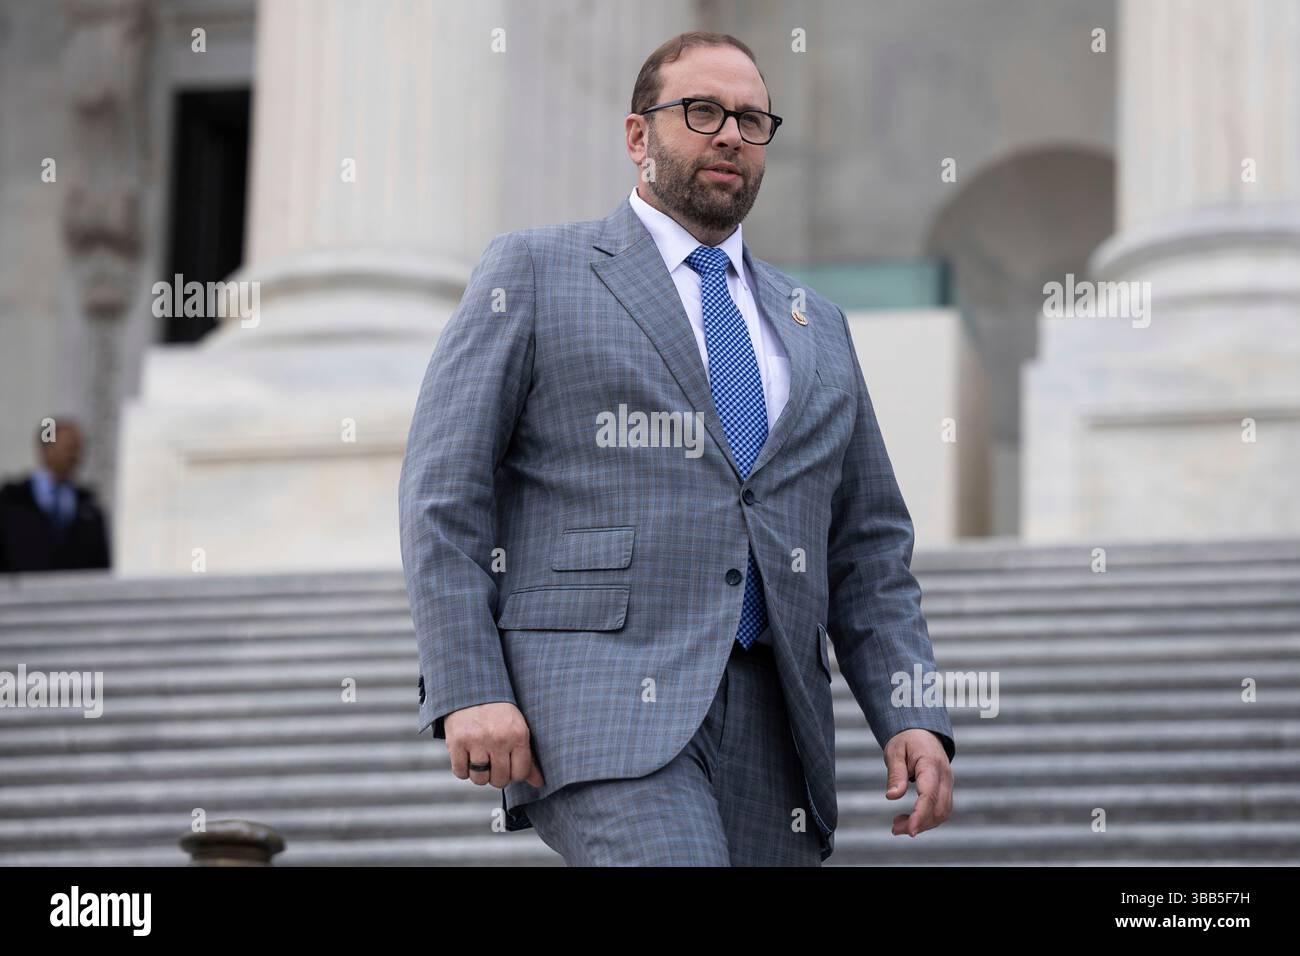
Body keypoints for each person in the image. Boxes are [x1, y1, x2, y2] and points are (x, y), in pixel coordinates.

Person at [399, 31, 954, 865]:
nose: (731, 133)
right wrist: (470, 682)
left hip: (778, 725)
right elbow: (444, 491)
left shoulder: (819, 327)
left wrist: (910, 707)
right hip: (601, 699)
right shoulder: (539, 272)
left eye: (752, 119)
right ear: (637, 136)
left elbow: (868, 546)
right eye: (702, 111)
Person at [0, 417, 110, 573]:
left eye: (79, 449)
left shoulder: (89, 507)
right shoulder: (11, 501)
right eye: (69, 447)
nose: (75, 456)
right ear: (47, 448)